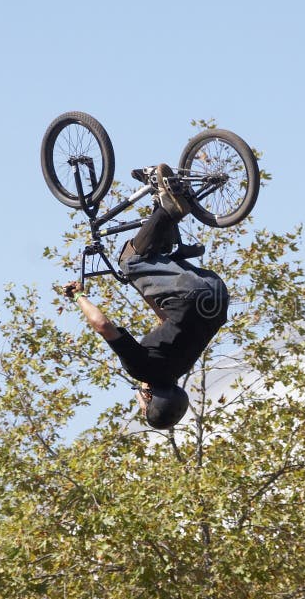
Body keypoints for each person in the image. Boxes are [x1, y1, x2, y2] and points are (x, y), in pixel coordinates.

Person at [63, 164, 229, 429]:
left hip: (216, 296)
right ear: (150, 398)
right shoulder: (142, 369)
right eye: (143, 407)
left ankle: (163, 193)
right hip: (189, 295)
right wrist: (79, 297)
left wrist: (143, 287)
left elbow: (167, 318)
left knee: (153, 258)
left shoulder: (178, 367)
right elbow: (103, 326)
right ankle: (169, 209)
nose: (139, 403)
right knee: (130, 261)